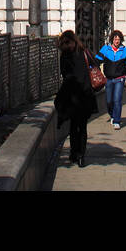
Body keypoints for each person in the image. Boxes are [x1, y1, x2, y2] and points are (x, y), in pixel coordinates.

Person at [55, 29, 96, 167]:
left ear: (73, 41)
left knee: (78, 126)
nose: (66, 45)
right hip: (78, 96)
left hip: (80, 95)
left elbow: (65, 75)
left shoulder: (76, 53)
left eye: (67, 42)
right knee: (77, 126)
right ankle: (77, 154)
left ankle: (78, 154)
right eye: (64, 43)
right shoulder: (79, 52)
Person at [97, 29, 126, 130]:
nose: (117, 41)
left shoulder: (125, 51)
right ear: (112, 39)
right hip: (108, 79)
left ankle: (117, 120)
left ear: (121, 40)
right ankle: (112, 115)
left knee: (117, 100)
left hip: (119, 79)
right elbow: (96, 60)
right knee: (109, 101)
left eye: (118, 39)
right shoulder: (105, 49)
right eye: (115, 39)